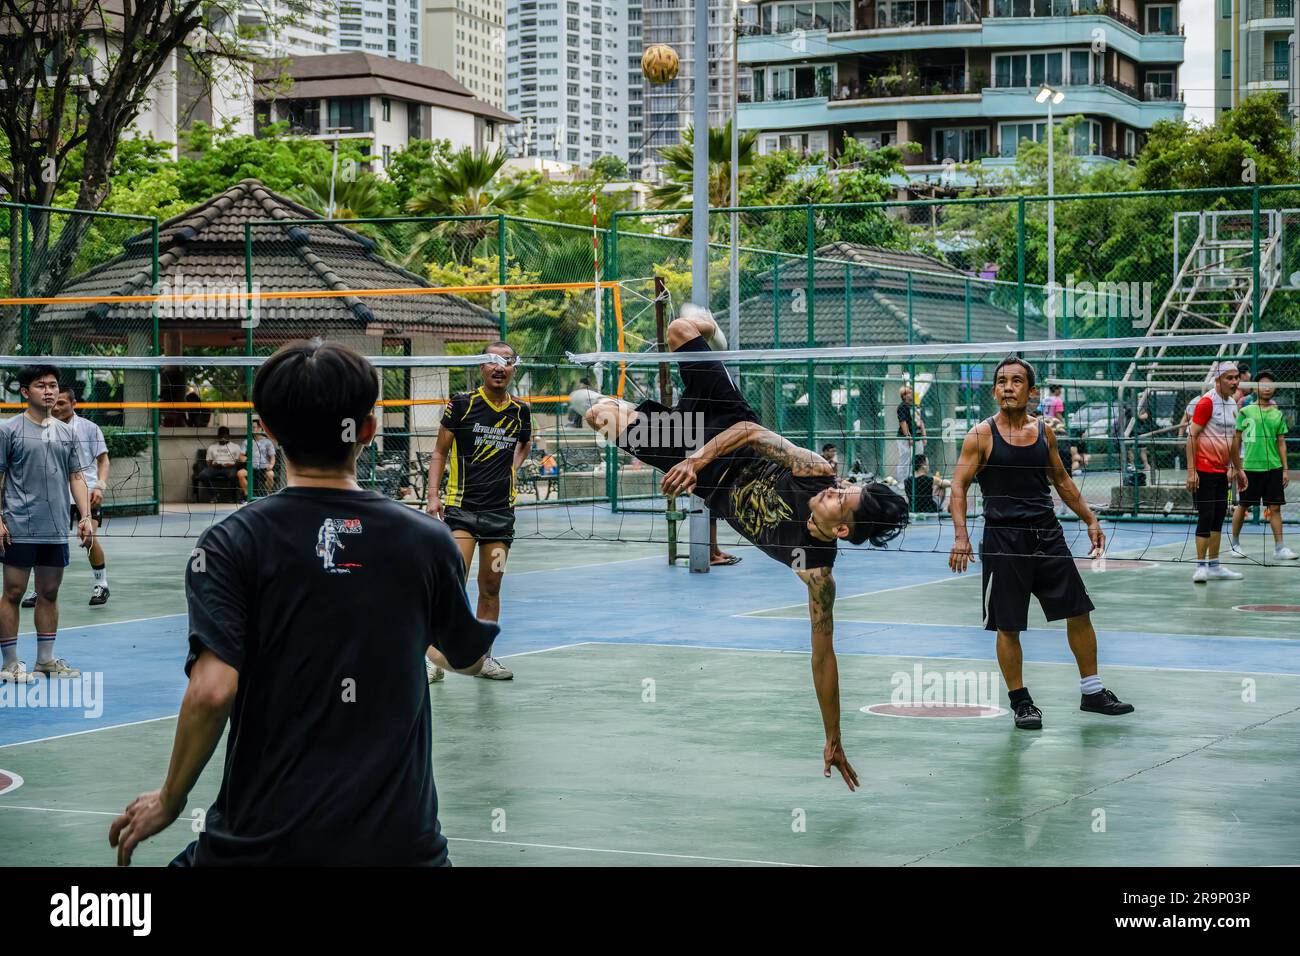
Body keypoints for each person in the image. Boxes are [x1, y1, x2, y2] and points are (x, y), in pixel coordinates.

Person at [108, 340, 498, 866]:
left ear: (266, 429)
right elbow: (465, 657)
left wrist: (170, 799)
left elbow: (213, 690)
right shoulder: (429, 541)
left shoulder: (231, 544)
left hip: (262, 845)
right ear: (367, 430)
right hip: (399, 848)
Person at [584, 304, 909, 788]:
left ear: (842, 529)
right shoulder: (814, 470)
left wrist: (834, 737)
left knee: (597, 414)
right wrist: (697, 459)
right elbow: (752, 433)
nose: (835, 488)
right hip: (722, 428)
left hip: (691, 460)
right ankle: (713, 336)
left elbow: (824, 657)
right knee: (680, 328)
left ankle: (657, 407)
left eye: (842, 498)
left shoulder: (815, 571)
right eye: (844, 486)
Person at [948, 355, 1133, 731]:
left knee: (1078, 611)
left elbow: (1062, 481)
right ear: (994, 390)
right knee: (1008, 625)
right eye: (1001, 381)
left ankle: (1092, 691)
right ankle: (1022, 703)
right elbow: (958, 486)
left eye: (1016, 381)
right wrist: (961, 535)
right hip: (1004, 540)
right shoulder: (981, 435)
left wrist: (1091, 519)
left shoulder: (1045, 432)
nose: (1007, 388)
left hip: (1048, 535)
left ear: (1032, 392)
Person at [425, 341, 531, 682]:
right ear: (482, 368)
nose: (500, 367)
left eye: (507, 362)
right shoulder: (461, 404)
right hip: (462, 511)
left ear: (515, 368)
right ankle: (435, 658)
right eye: (492, 361)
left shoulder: (520, 411)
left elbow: (524, 443)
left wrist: (512, 469)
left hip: (501, 515)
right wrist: (432, 497)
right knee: (453, 583)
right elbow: (440, 452)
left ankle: (484, 658)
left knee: (491, 586)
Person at [0, 365, 95, 684]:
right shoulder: (8, 430)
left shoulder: (67, 431)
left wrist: (84, 516)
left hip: (55, 528)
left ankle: (45, 660)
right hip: (19, 525)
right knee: (13, 591)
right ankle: (11, 663)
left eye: (53, 385)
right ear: (25, 392)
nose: (50, 391)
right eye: (41, 386)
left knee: (50, 592)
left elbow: (76, 475)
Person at [38, 387, 111, 606]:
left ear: (74, 404)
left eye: (62, 403)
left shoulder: (90, 428)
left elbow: (103, 460)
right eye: (54, 404)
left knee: (89, 539)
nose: (57, 407)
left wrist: (99, 486)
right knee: (44, 541)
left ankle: (102, 585)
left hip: (86, 492)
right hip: (56, 493)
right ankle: (39, 588)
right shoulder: (47, 427)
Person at [1186, 361, 1247, 583]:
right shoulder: (1206, 403)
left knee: (1219, 517)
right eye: (1229, 378)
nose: (1234, 381)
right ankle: (1200, 566)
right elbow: (1191, 436)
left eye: (1236, 377)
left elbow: (1232, 442)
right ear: (1218, 380)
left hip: (1222, 472)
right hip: (1203, 471)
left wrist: (1237, 468)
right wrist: (1191, 472)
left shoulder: (1233, 404)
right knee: (1206, 516)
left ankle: (1214, 565)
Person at [1229, 370, 1295, 561]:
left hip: (1273, 468)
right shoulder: (1245, 411)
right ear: (1255, 388)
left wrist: (1284, 469)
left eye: (1270, 384)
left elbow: (1281, 442)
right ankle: (1235, 544)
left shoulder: (1277, 414)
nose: (1267, 387)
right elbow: (1237, 440)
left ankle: (1279, 548)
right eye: (1263, 384)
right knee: (1243, 505)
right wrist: (1235, 466)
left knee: (1275, 508)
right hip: (1250, 467)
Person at [198, 426, 241, 502]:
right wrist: (214, 465)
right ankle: (214, 495)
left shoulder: (235, 447)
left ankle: (231, 498)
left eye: (225, 435)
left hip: (230, 467)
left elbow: (238, 461)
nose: (223, 437)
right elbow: (208, 462)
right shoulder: (212, 447)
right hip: (215, 467)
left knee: (233, 476)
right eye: (221, 435)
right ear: (218, 436)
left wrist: (231, 464)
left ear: (229, 436)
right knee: (202, 475)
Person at [236, 419, 277, 499]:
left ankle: (268, 494)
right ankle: (247, 495)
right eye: (252, 427)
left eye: (255, 427)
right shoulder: (247, 441)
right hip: (251, 468)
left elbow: (272, 457)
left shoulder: (267, 442)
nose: (254, 429)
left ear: (261, 428)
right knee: (240, 474)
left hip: (263, 468)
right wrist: (246, 459)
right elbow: (241, 456)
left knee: (270, 474)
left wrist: (271, 465)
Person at [895, 384, 926, 484]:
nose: (910, 394)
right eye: (908, 393)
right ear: (903, 396)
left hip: (917, 436)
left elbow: (920, 422)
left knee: (919, 458)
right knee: (905, 457)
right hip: (904, 437)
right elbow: (903, 422)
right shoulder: (902, 407)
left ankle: (917, 480)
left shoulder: (915, 406)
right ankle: (902, 481)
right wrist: (908, 437)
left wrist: (924, 436)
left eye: (911, 392)